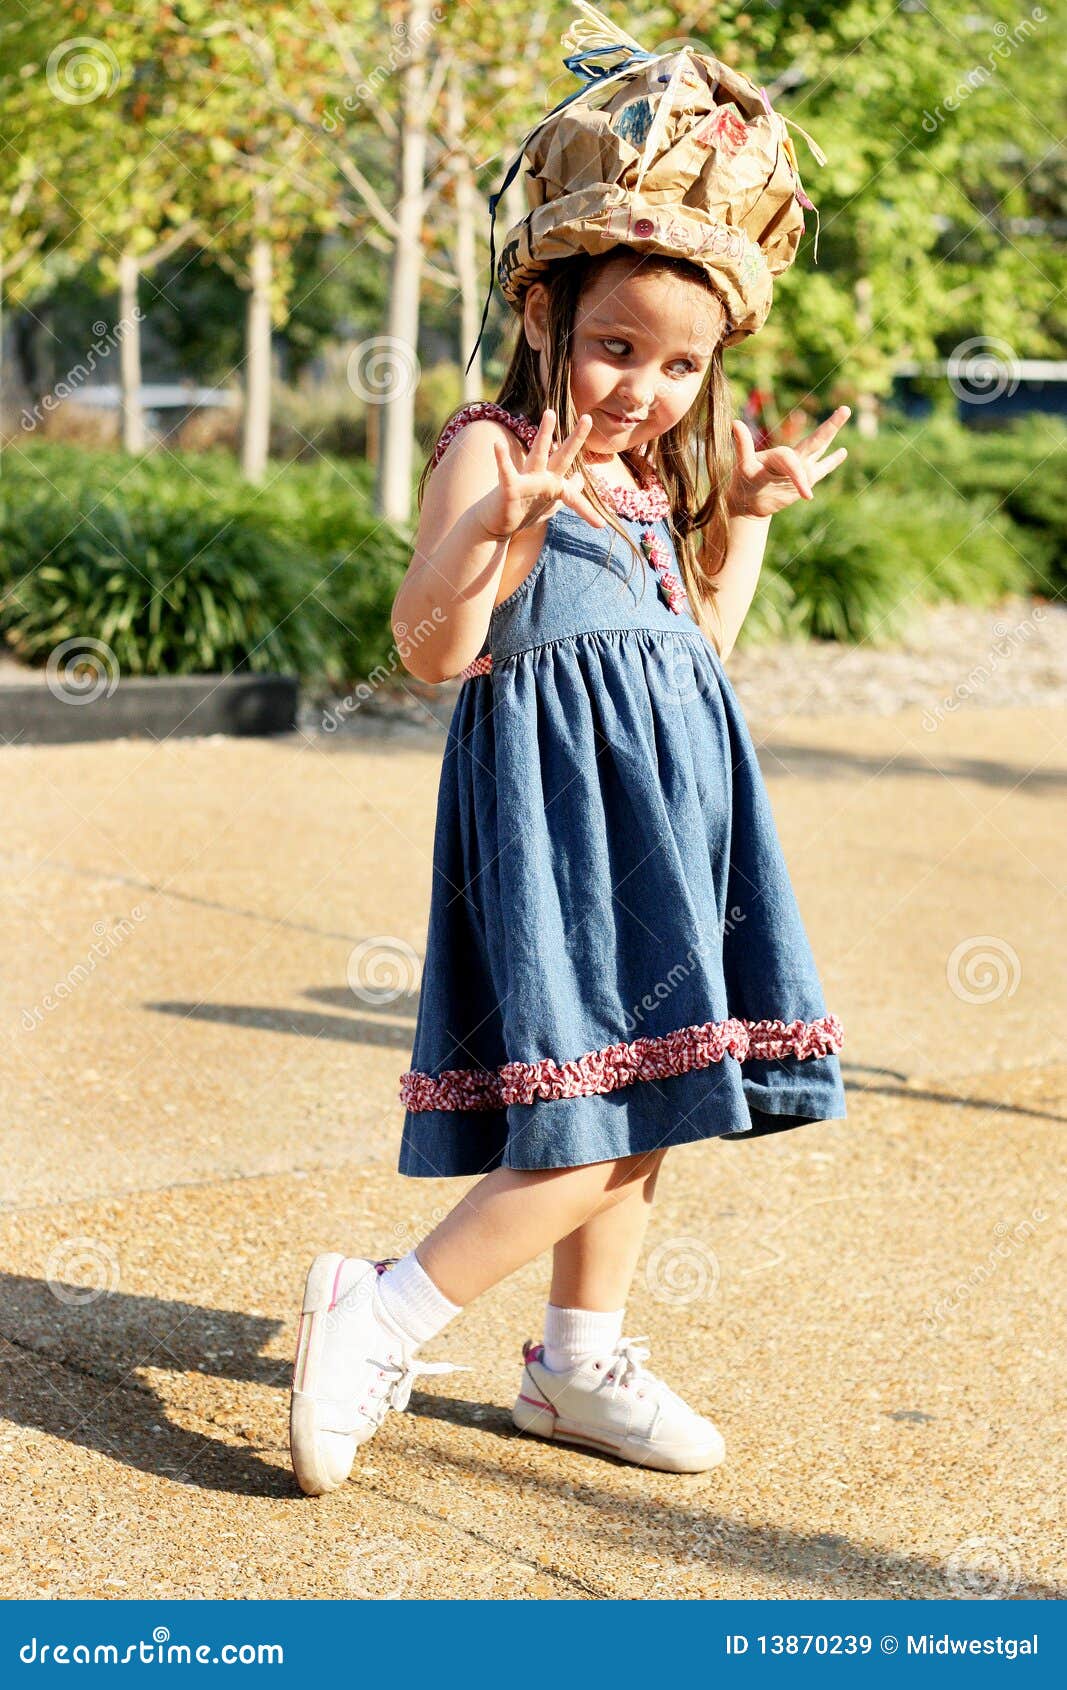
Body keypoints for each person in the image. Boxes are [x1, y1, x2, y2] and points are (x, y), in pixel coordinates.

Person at [288, 2, 851, 1498]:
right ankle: (384, 1309)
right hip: (560, 829)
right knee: (602, 1109)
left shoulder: (654, 481)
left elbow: (693, 658)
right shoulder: (496, 448)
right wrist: (498, 533)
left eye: (679, 367)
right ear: (543, 315)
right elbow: (429, 650)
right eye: (616, 348)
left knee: (656, 1095)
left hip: (668, 817)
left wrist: (749, 532)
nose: (645, 391)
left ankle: (578, 1359)